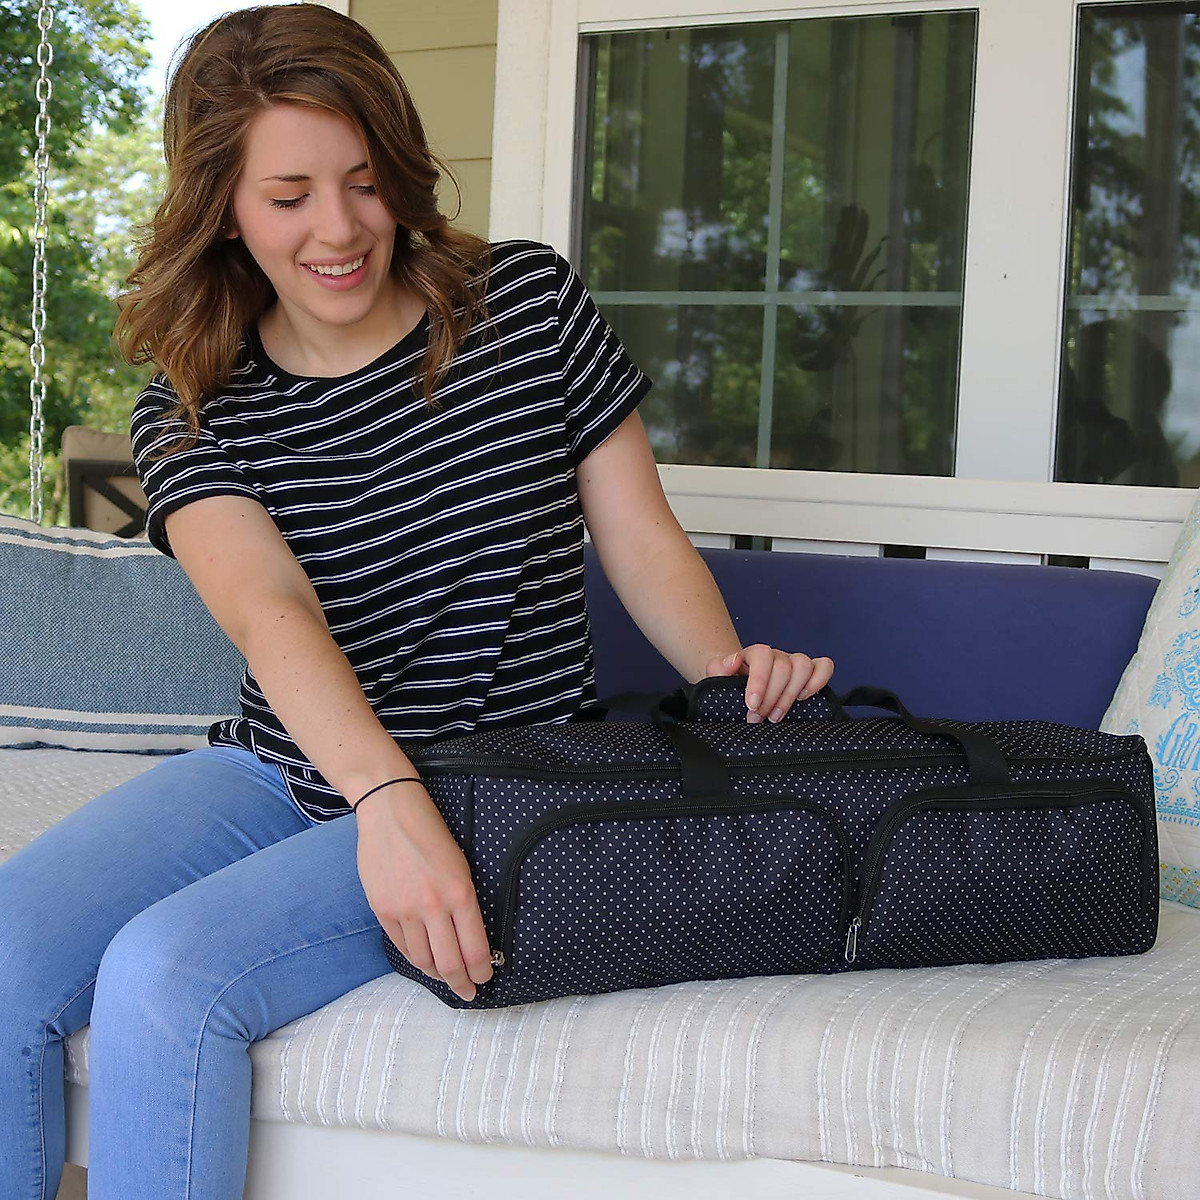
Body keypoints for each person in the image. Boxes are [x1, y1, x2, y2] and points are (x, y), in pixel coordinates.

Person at [0, 6, 833, 1198]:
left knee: (166, 980)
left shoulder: (528, 308)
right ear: (223, 208)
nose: (339, 229)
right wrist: (382, 802)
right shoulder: (190, 405)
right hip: (292, 769)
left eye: (363, 182)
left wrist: (725, 684)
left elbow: (642, 540)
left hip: (498, 777)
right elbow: (272, 614)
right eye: (289, 196)